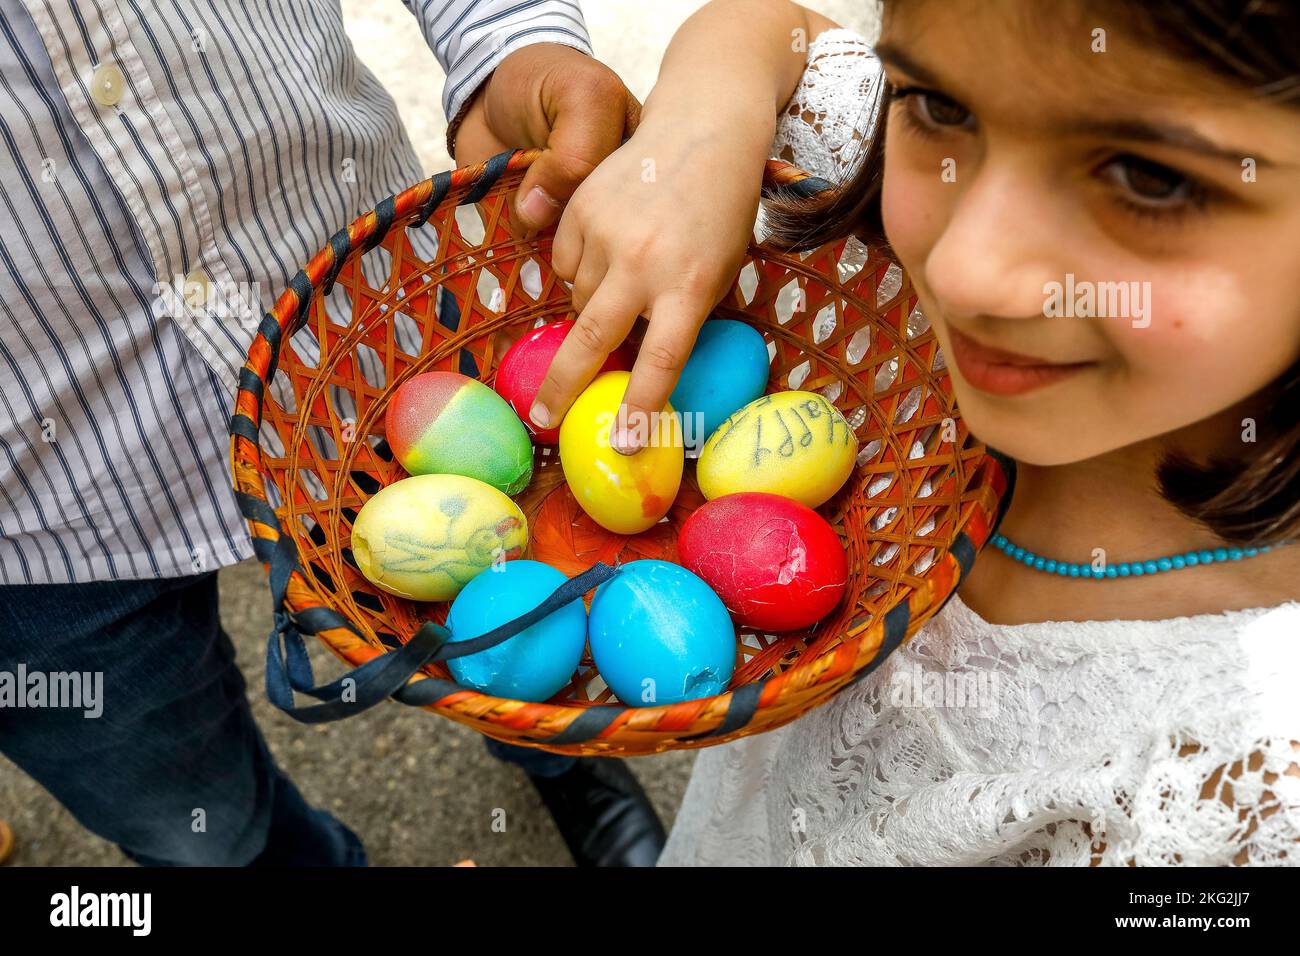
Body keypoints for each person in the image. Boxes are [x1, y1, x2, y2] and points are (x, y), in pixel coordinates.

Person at [543, 0, 1300, 864]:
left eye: (1148, 178)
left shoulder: (1245, 790)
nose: (962, 269)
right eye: (941, 109)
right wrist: (700, 130)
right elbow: (766, 32)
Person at [0, 0, 662, 867]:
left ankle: (553, 745)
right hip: (38, 524)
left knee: (525, 595)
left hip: (372, 318)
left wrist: (511, 45)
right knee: (202, 826)